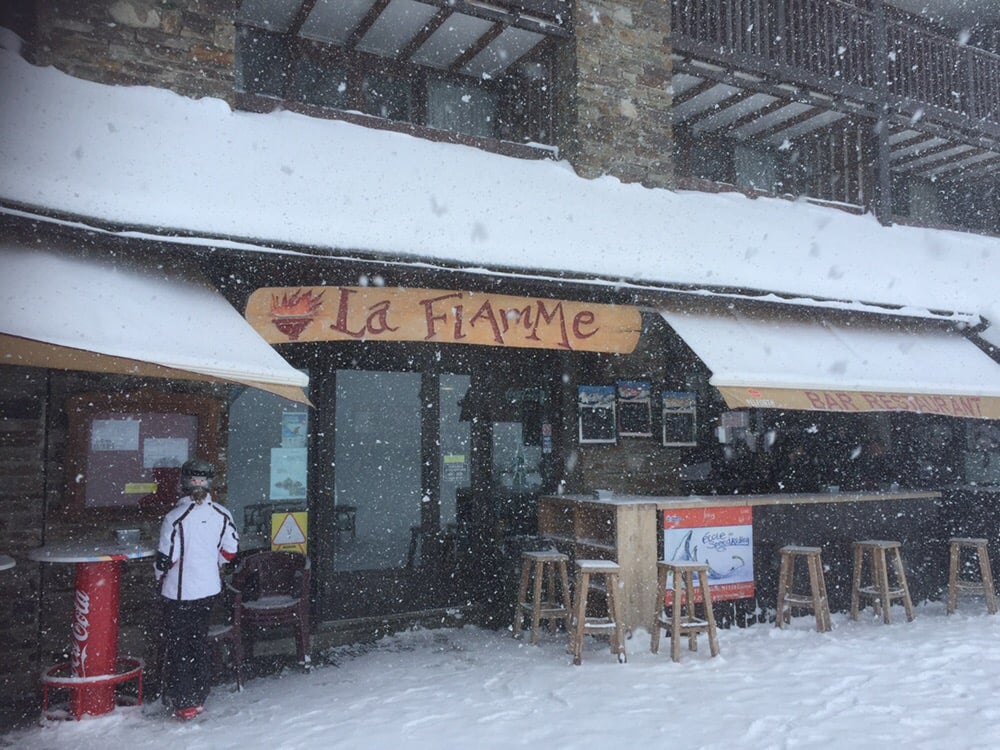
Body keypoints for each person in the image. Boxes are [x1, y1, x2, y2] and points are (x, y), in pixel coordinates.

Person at [155, 458, 239, 720]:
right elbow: (230, 550)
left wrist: (159, 577)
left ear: (183, 483)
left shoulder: (175, 518)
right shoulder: (222, 514)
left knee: (179, 644)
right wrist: (213, 562)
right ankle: (200, 693)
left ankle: (184, 699)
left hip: (179, 591)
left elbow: (166, 559)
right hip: (209, 588)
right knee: (199, 640)